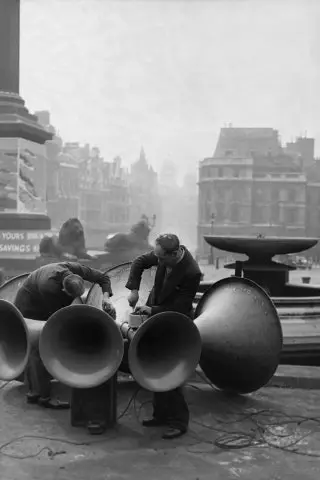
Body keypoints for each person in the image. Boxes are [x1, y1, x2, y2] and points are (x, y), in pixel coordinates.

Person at [125, 233, 202, 440]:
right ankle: (160, 414)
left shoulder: (192, 272)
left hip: (174, 323)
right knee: (154, 365)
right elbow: (140, 261)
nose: (157, 261)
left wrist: (152, 310)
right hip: (157, 316)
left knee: (169, 370)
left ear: (175, 253)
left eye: (161, 259)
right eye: (157, 256)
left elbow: (181, 306)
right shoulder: (164, 254)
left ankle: (178, 422)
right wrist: (134, 289)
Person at [14, 262, 115, 409]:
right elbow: (56, 320)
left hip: (40, 297)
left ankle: (34, 392)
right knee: (40, 344)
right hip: (29, 307)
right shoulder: (49, 289)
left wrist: (106, 298)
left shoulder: (74, 269)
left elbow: (103, 278)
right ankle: (44, 397)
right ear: (63, 289)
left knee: (36, 349)